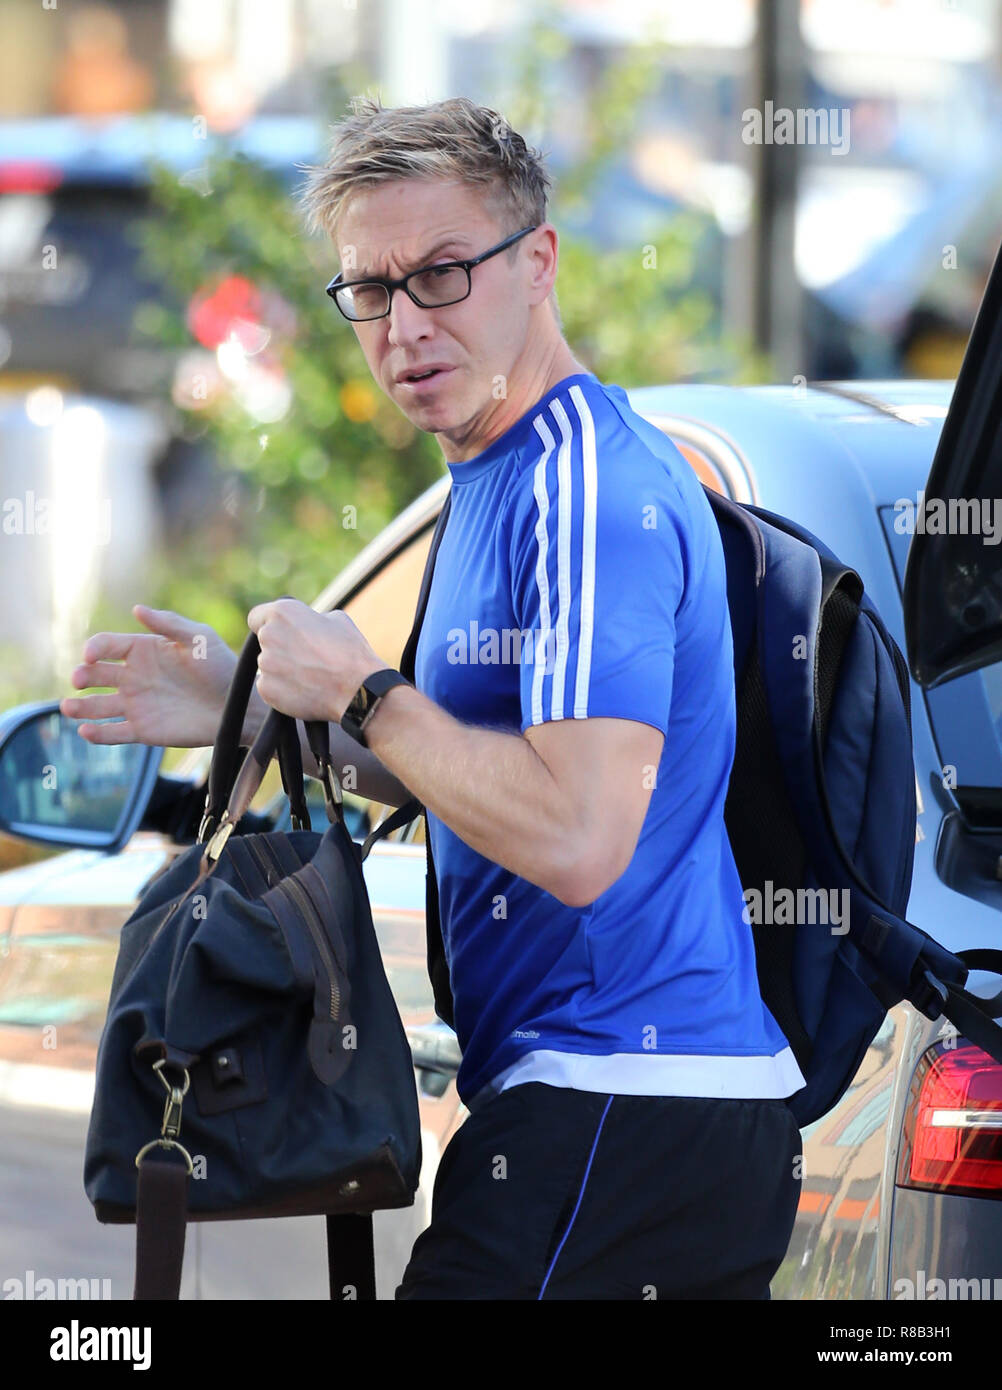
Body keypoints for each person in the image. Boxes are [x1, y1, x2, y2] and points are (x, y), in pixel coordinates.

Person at [61, 95, 805, 1300]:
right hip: (596, 1106)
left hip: (626, 1102)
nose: (404, 324)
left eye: (443, 274)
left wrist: (360, 684)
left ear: (540, 263)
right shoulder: (494, 477)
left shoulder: (585, 493)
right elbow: (470, 773)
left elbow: (575, 836)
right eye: (371, 288)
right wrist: (246, 712)